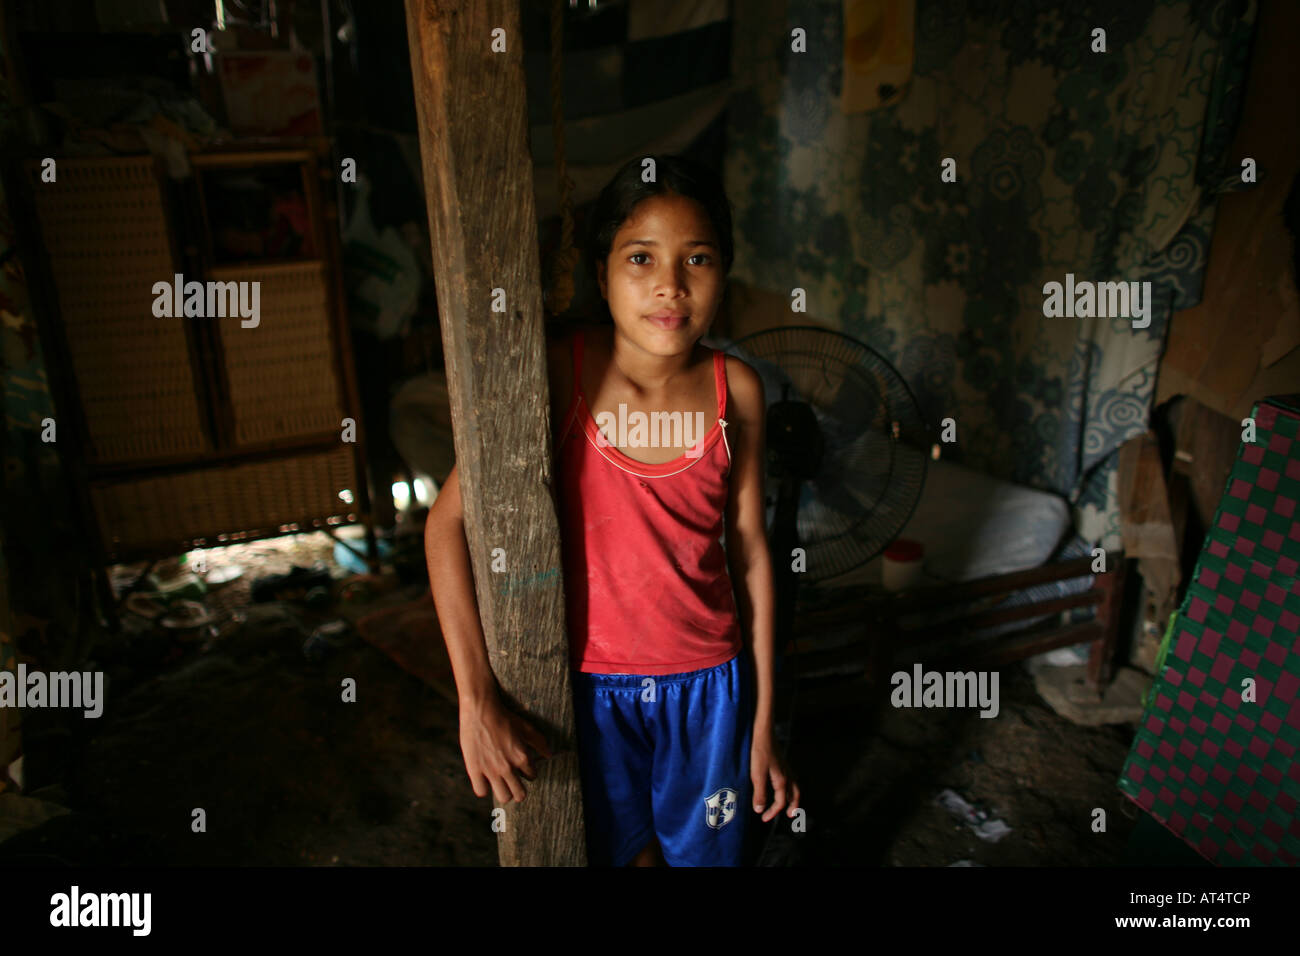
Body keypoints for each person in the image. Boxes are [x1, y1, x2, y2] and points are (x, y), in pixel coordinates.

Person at [424, 154, 800, 866]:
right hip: (589, 690)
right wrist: (474, 700)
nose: (670, 284)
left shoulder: (737, 391)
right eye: (640, 257)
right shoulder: (557, 373)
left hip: (710, 689)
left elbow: (749, 551)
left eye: (698, 258)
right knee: (616, 856)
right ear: (601, 275)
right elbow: (445, 525)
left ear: (723, 274)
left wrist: (760, 726)